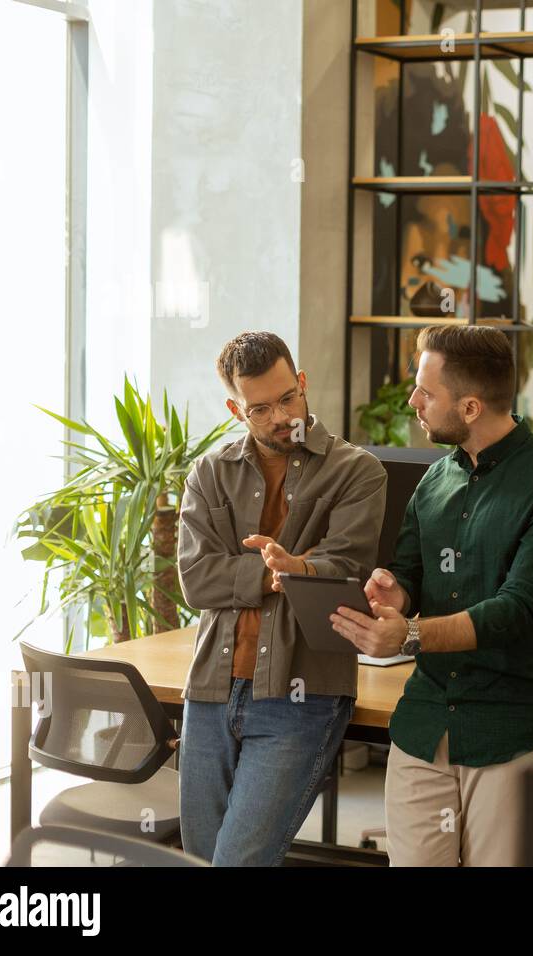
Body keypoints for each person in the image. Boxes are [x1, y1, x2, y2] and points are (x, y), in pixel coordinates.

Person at [328, 324, 533, 866]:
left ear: (470, 407)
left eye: (426, 392)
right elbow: (409, 575)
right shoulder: (435, 481)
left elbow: (518, 612)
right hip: (426, 724)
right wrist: (392, 592)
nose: (413, 401)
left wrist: (408, 635)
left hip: (516, 726)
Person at [176, 331, 385, 865]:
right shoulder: (208, 472)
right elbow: (197, 579)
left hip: (302, 695)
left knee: (237, 862)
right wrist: (280, 574)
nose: (280, 417)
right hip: (211, 691)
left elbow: (347, 572)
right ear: (235, 408)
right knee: (200, 857)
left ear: (303, 383)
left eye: (289, 397)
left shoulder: (357, 472)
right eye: (261, 408)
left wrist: (303, 568)